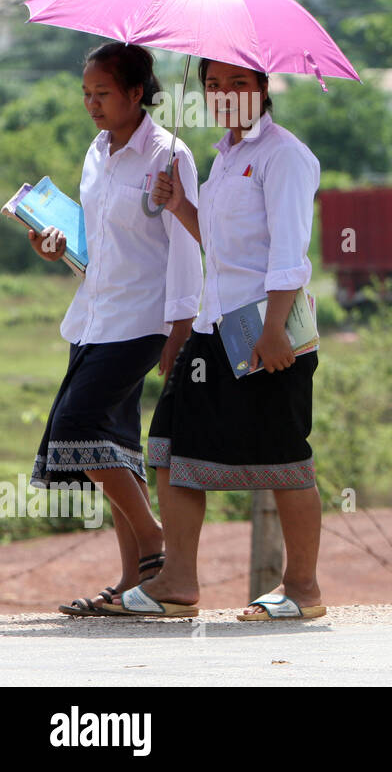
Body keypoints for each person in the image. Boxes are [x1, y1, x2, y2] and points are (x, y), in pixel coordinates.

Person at [118, 59, 326, 620]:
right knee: (170, 447)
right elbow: (222, 245)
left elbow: (289, 251)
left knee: (284, 459)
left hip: (265, 328)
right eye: (213, 85)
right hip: (214, 329)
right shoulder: (226, 157)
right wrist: (180, 203)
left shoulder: (283, 155)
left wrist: (276, 328)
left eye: (238, 82)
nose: (224, 93)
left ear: (263, 87)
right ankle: (178, 582)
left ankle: (303, 590)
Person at [30, 42, 202, 616]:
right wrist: (59, 247)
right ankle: (135, 583)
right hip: (93, 315)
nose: (92, 105)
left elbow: (185, 249)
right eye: (87, 94)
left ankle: (155, 540)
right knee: (119, 445)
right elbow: (100, 239)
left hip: (143, 319)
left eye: (102, 93)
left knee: (75, 426)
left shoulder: (169, 156)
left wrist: (180, 329)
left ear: (136, 93)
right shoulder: (96, 152)